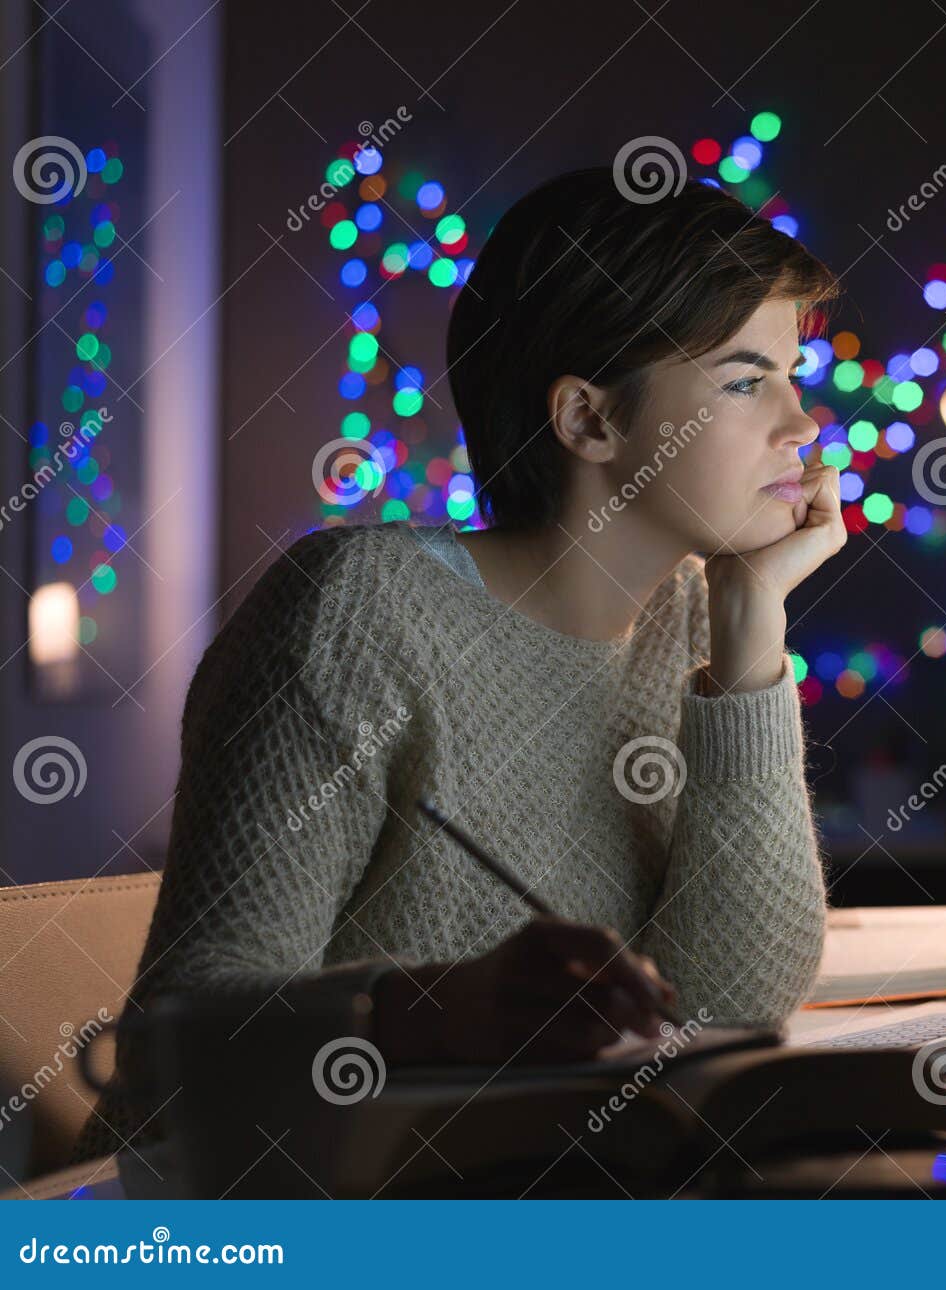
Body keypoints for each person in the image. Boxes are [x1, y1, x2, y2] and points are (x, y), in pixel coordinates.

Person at [70, 165, 846, 1168]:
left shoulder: (696, 623)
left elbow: (727, 1008)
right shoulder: (355, 609)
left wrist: (749, 640)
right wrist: (431, 1014)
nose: (803, 425)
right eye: (745, 381)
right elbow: (174, 1059)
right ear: (590, 422)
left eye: (793, 377)